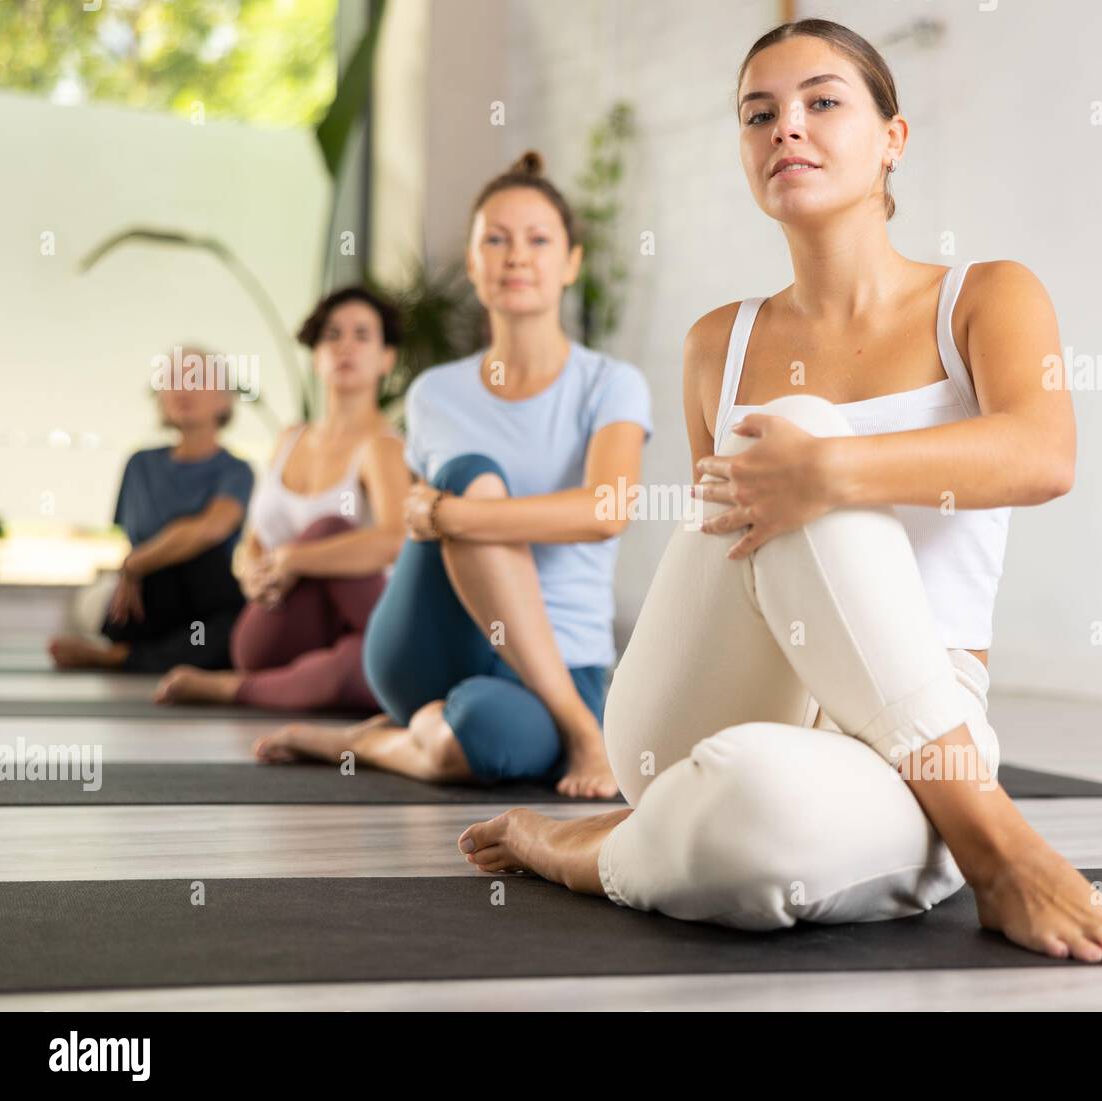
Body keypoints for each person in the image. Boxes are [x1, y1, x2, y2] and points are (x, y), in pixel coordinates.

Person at [454, 19, 1102, 964]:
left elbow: (1044, 454)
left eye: (822, 102)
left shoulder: (989, 296)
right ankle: (1000, 849)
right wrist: (809, 458)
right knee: (789, 428)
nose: (786, 127)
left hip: (922, 723)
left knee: (756, 821)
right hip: (706, 705)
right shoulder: (718, 343)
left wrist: (830, 474)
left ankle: (597, 850)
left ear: (892, 141)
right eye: (759, 114)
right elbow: (728, 563)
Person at [250, 151, 653, 800]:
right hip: (433, 646)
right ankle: (582, 729)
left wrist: (457, 516)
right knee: (469, 470)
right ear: (472, 262)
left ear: (570, 261)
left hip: (566, 656)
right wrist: (442, 511)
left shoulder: (610, 384)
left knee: (483, 739)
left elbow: (606, 509)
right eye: (495, 239)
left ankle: (365, 741)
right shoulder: (433, 393)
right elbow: (416, 531)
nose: (516, 256)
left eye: (538, 240)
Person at [154, 287, 409, 712]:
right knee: (382, 665)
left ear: (387, 358)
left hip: (364, 619)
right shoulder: (290, 439)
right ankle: (311, 678)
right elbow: (253, 538)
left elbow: (395, 540)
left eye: (362, 335)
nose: (346, 345)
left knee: (355, 659)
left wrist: (296, 558)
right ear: (316, 354)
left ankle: (235, 689)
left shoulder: (383, 447)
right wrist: (252, 571)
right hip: (275, 627)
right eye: (332, 334)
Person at [48, 347, 252, 673]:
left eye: (196, 378)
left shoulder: (237, 471)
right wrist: (140, 564)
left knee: (228, 625)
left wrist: (137, 562)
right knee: (205, 623)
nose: (182, 388)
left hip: (200, 610)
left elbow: (211, 529)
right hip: (147, 601)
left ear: (225, 400)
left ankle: (119, 657)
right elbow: (136, 536)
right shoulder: (140, 464)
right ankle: (147, 654)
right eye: (172, 379)